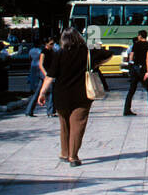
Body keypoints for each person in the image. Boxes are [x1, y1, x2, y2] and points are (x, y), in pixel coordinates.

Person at [36, 28, 112, 167]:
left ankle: (64, 153)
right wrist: (94, 63)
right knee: (78, 125)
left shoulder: (59, 54)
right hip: (82, 95)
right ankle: (73, 156)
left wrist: (42, 93)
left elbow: (50, 76)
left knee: (64, 125)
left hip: (61, 95)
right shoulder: (88, 53)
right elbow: (108, 54)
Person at [122, 29, 148, 117]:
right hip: (142, 69)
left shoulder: (135, 44)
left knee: (131, 90)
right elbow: (147, 58)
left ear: (140, 36)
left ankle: (126, 110)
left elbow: (131, 56)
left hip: (135, 69)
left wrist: (131, 67)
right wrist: (147, 71)